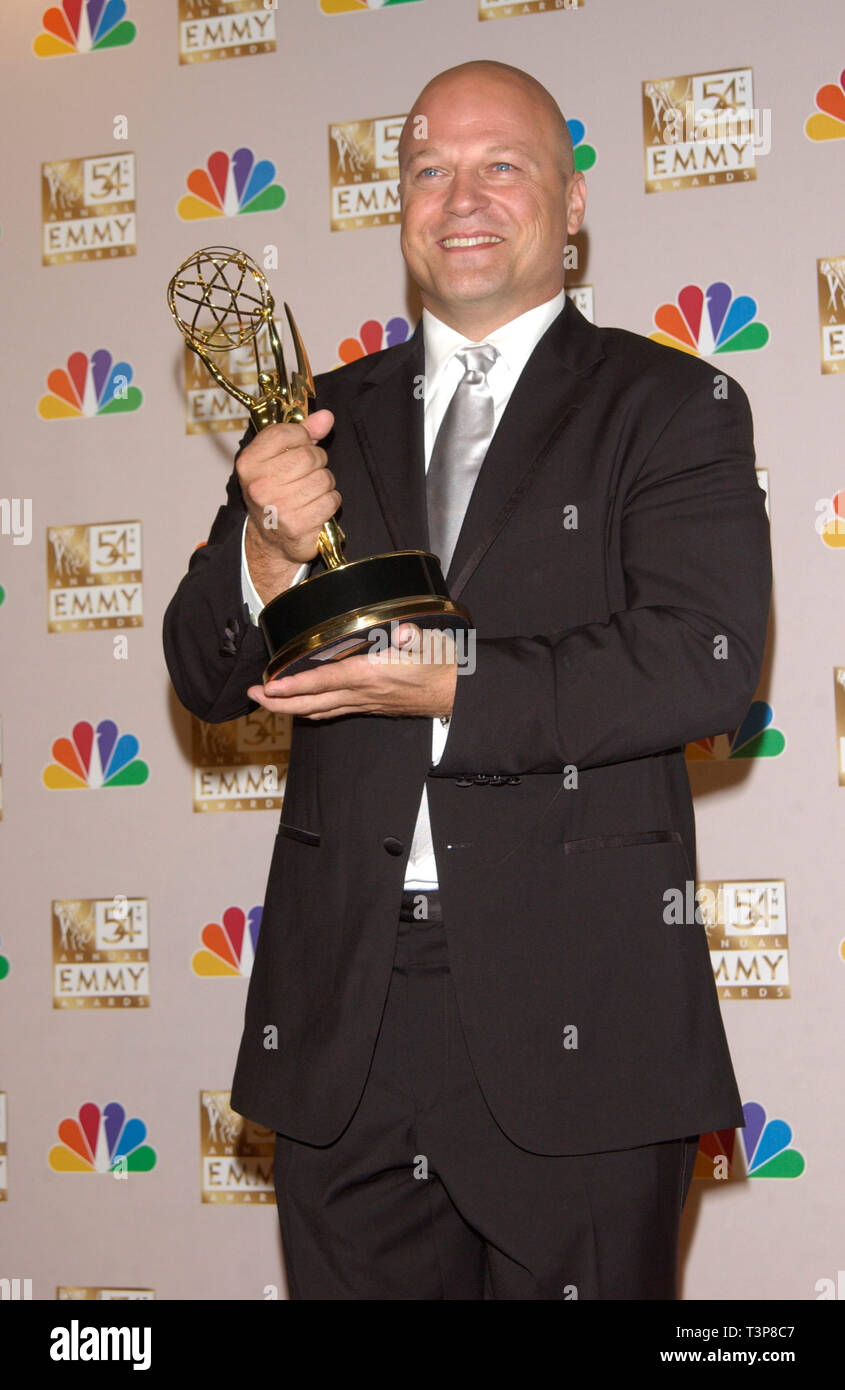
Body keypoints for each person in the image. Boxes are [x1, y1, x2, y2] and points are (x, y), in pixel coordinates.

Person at [163, 59, 772, 1299]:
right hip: (347, 1030)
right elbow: (203, 672)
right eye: (427, 168)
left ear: (572, 199)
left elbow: (699, 666)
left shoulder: (672, 405)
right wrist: (260, 550)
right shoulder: (314, 418)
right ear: (396, 203)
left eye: (501, 165)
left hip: (583, 1021)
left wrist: (442, 681)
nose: (460, 197)